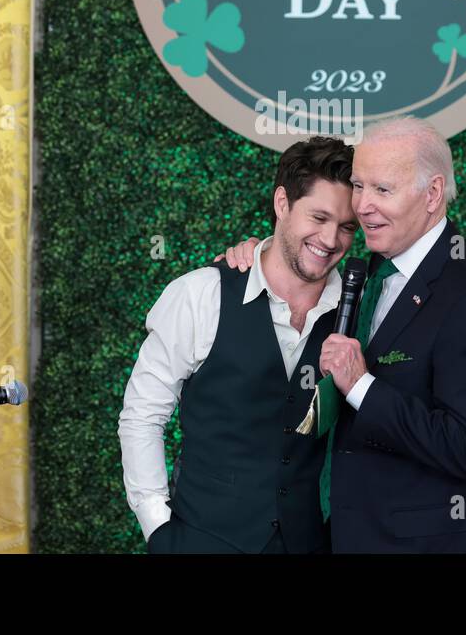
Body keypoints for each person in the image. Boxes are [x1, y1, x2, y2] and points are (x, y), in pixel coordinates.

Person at [222, 117, 466, 551]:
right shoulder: (375, 269)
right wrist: (258, 254)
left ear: (432, 194)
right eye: (359, 186)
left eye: (383, 190)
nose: (361, 206)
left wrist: (361, 384)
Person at [118, 136, 357, 552]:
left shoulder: (359, 308)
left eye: (346, 226)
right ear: (282, 204)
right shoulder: (200, 294)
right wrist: (158, 527)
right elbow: (142, 416)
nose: (331, 238)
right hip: (202, 539)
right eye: (318, 217)